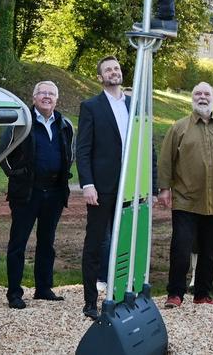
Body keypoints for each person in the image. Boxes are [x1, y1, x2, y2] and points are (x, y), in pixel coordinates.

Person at [158, 82, 213, 308]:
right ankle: (175, 294)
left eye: (207, 94)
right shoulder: (179, 128)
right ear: (192, 98)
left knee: (209, 251)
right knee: (181, 249)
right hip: (186, 200)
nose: (202, 97)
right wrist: (164, 189)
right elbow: (166, 160)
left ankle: (202, 295)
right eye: (198, 93)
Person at [0, 81, 74, 308]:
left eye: (52, 93)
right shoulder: (21, 122)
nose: (47, 97)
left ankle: (43, 288)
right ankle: (14, 293)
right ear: (33, 97)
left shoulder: (65, 124)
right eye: (42, 93)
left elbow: (70, 152)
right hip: (26, 192)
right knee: (18, 243)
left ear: (57, 99)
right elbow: (3, 154)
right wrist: (18, 174)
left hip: (54, 192)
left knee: (47, 243)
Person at [75, 56, 132, 320]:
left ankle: (122, 296)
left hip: (130, 186)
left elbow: (146, 146)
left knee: (126, 243)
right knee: (95, 244)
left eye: (116, 68)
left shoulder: (134, 104)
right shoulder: (91, 106)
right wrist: (87, 183)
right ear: (100, 77)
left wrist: (151, 185)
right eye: (108, 69)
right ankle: (90, 302)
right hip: (101, 187)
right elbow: (82, 149)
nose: (113, 72)